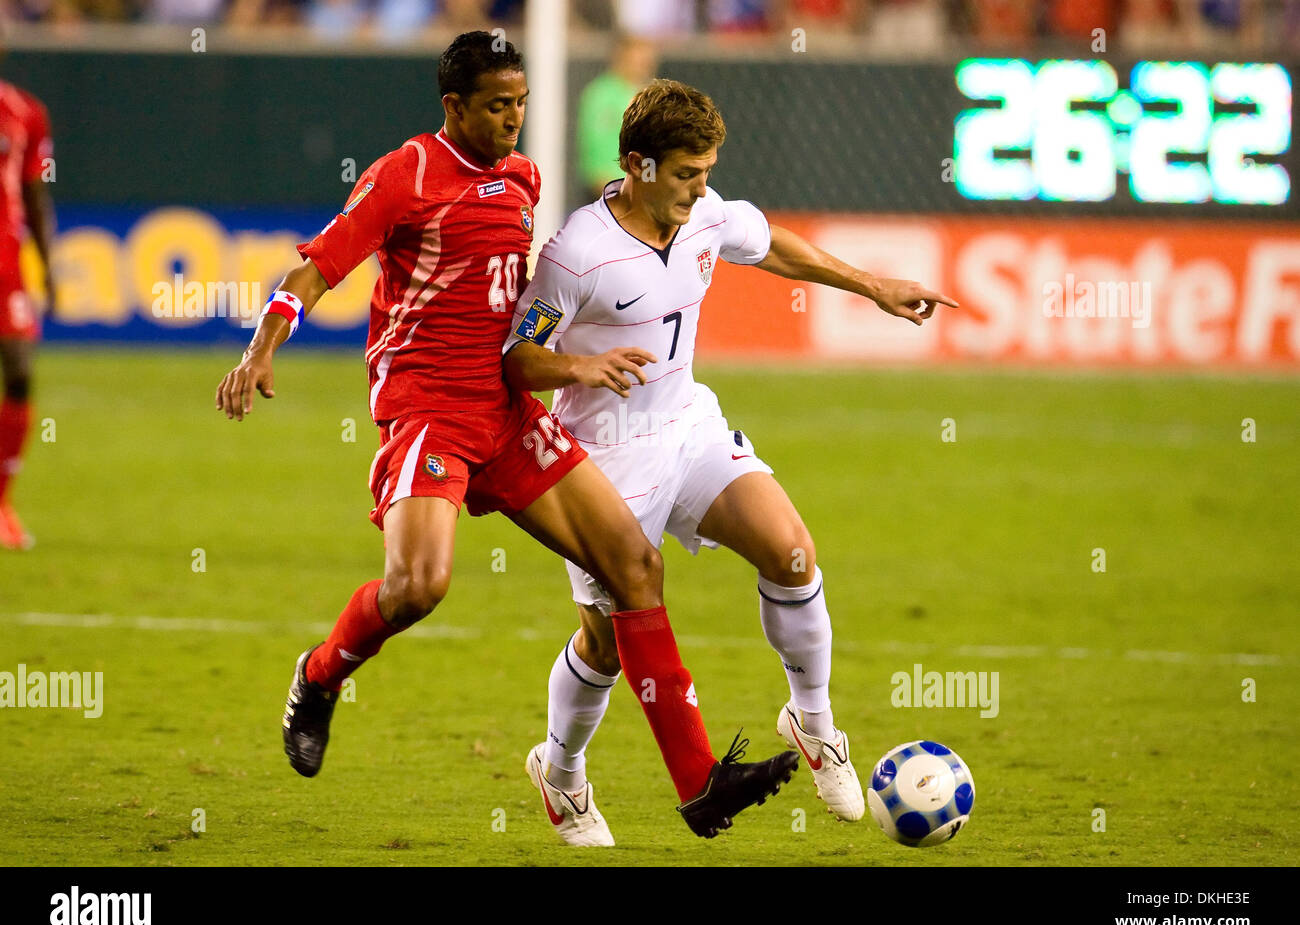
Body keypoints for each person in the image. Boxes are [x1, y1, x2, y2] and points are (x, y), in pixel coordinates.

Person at [214, 33, 796, 842]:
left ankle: (699, 782)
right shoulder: (406, 173)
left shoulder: (523, 178)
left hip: (508, 411)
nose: (513, 120)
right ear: (454, 106)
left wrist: (567, 364)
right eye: (496, 105)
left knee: (635, 564)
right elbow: (319, 264)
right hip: (428, 411)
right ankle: (320, 675)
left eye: (520, 102)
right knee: (419, 586)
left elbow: (526, 309)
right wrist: (261, 348)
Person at [503, 79, 958, 844]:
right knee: (607, 644)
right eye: (686, 173)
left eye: (707, 171)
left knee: (791, 553)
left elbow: (769, 242)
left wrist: (871, 285)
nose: (700, 189)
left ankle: (814, 725)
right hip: (603, 461)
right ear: (640, 165)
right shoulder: (578, 252)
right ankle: (561, 769)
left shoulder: (706, 214)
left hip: (688, 428)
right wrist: (579, 369)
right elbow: (518, 358)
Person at [0, 68, 56, 551]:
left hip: (6, 266)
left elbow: (35, 193)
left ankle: (1, 504)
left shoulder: (25, 112)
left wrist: (49, 266)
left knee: (19, 372)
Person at [576, 34, 655, 199]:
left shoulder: (651, 95)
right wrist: (606, 187)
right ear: (621, 57)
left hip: (644, 189)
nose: (643, 65)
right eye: (637, 58)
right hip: (612, 189)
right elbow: (596, 146)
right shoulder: (601, 94)